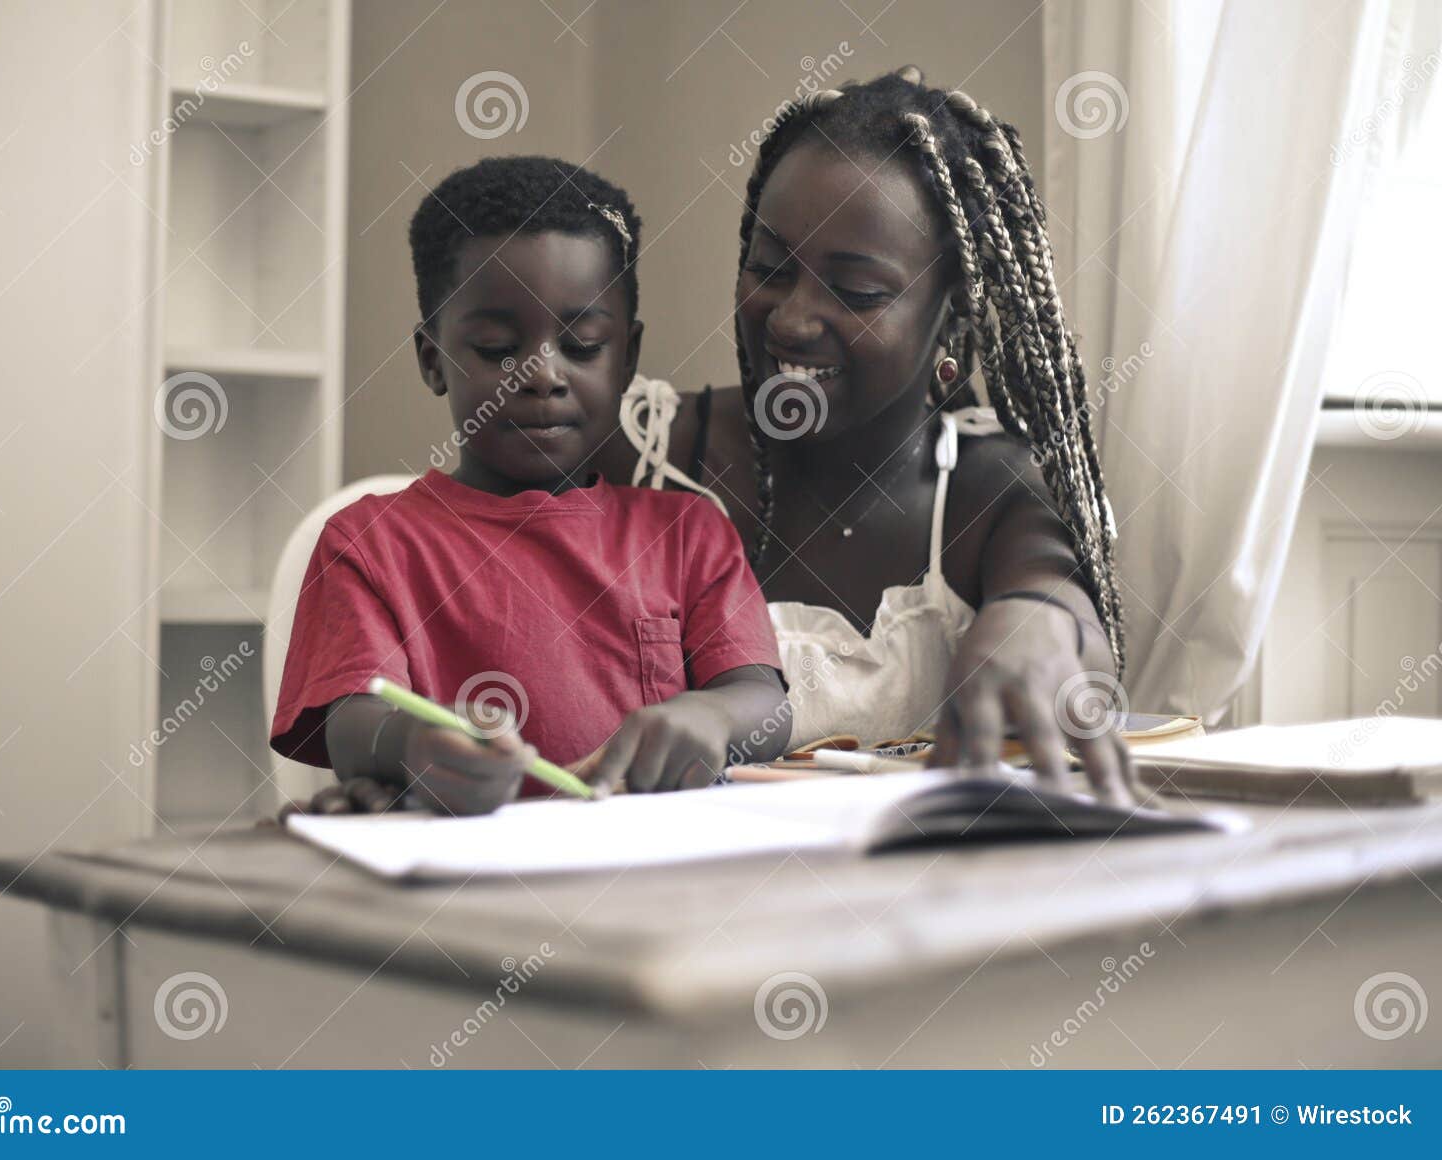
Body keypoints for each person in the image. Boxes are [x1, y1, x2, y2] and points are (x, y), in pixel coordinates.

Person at [600, 67, 1133, 803]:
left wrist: (1036, 624)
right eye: (770, 268)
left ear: (949, 318)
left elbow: (1064, 607)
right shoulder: (642, 453)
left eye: (857, 293)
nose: (790, 318)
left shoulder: (983, 486)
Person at [270, 157, 789, 817]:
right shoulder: (369, 542)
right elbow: (351, 719)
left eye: (583, 344)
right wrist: (414, 742)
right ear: (434, 360)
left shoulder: (688, 533)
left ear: (627, 357)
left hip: (655, 882)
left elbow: (762, 697)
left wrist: (711, 714)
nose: (542, 375)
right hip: (466, 892)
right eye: (495, 349)